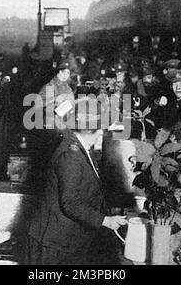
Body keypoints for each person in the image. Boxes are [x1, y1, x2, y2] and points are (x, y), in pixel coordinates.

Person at [25, 98, 128, 265]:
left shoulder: (81, 149)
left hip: (66, 239)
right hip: (53, 244)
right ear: (95, 130)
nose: (102, 133)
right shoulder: (71, 157)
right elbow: (71, 203)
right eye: (101, 129)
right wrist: (105, 221)